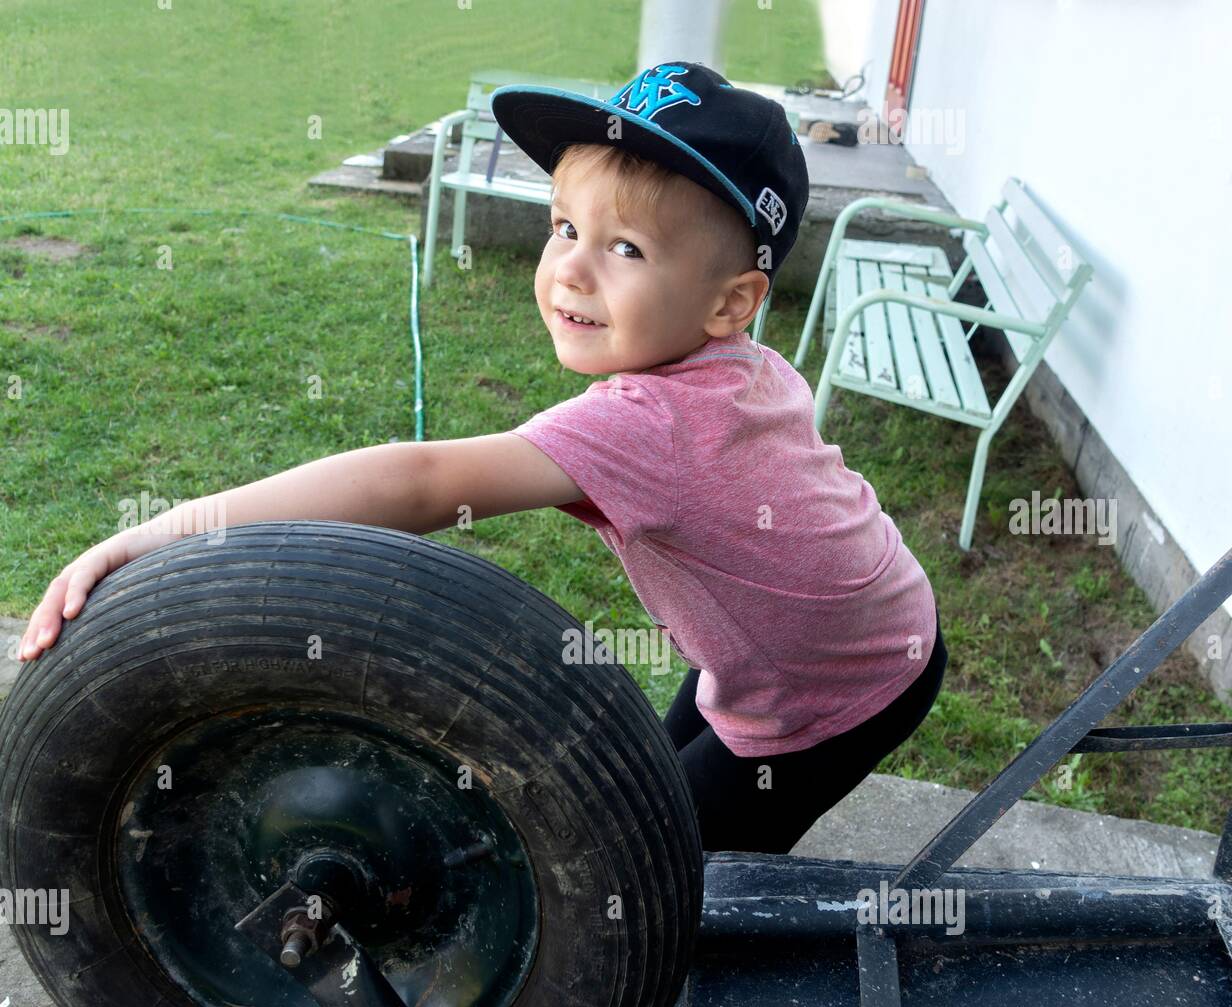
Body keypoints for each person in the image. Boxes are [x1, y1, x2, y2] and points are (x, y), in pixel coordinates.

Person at [18, 60, 946, 853]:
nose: (572, 271)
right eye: (564, 227)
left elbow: (420, 482)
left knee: (669, 877)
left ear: (729, 303)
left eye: (626, 247)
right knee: (656, 797)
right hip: (851, 627)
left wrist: (169, 535)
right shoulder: (730, 366)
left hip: (847, 685)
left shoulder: (648, 427)